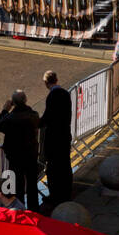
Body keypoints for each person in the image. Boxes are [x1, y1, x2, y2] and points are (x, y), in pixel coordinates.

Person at [0, 90, 40, 211]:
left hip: (15, 157)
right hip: (31, 155)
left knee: (18, 186)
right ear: (25, 100)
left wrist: (5, 109)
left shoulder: (10, 119)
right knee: (32, 185)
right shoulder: (33, 115)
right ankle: (34, 210)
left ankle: (21, 211)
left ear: (13, 103)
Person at [40, 70, 73, 209]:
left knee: (53, 168)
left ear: (46, 83)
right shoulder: (65, 93)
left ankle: (54, 195)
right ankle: (67, 192)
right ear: (57, 79)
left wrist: (37, 123)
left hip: (54, 138)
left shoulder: (52, 96)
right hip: (65, 135)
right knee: (65, 165)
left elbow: (47, 118)